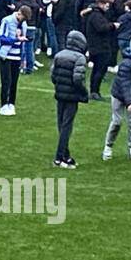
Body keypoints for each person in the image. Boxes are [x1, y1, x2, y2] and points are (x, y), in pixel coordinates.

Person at [50, 30, 89, 169]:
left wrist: (59, 85)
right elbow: (78, 79)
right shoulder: (79, 58)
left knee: (61, 125)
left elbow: (53, 75)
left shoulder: (59, 55)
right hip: (72, 96)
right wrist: (84, 93)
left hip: (60, 93)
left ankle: (66, 156)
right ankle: (59, 157)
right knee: (67, 126)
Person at [0, 5, 31, 116]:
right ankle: (3, 105)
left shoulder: (23, 24)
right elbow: (2, 38)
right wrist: (16, 39)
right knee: (6, 81)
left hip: (17, 56)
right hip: (6, 55)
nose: (23, 21)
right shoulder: (7, 21)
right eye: (23, 18)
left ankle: (11, 103)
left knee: (14, 82)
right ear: (19, 13)